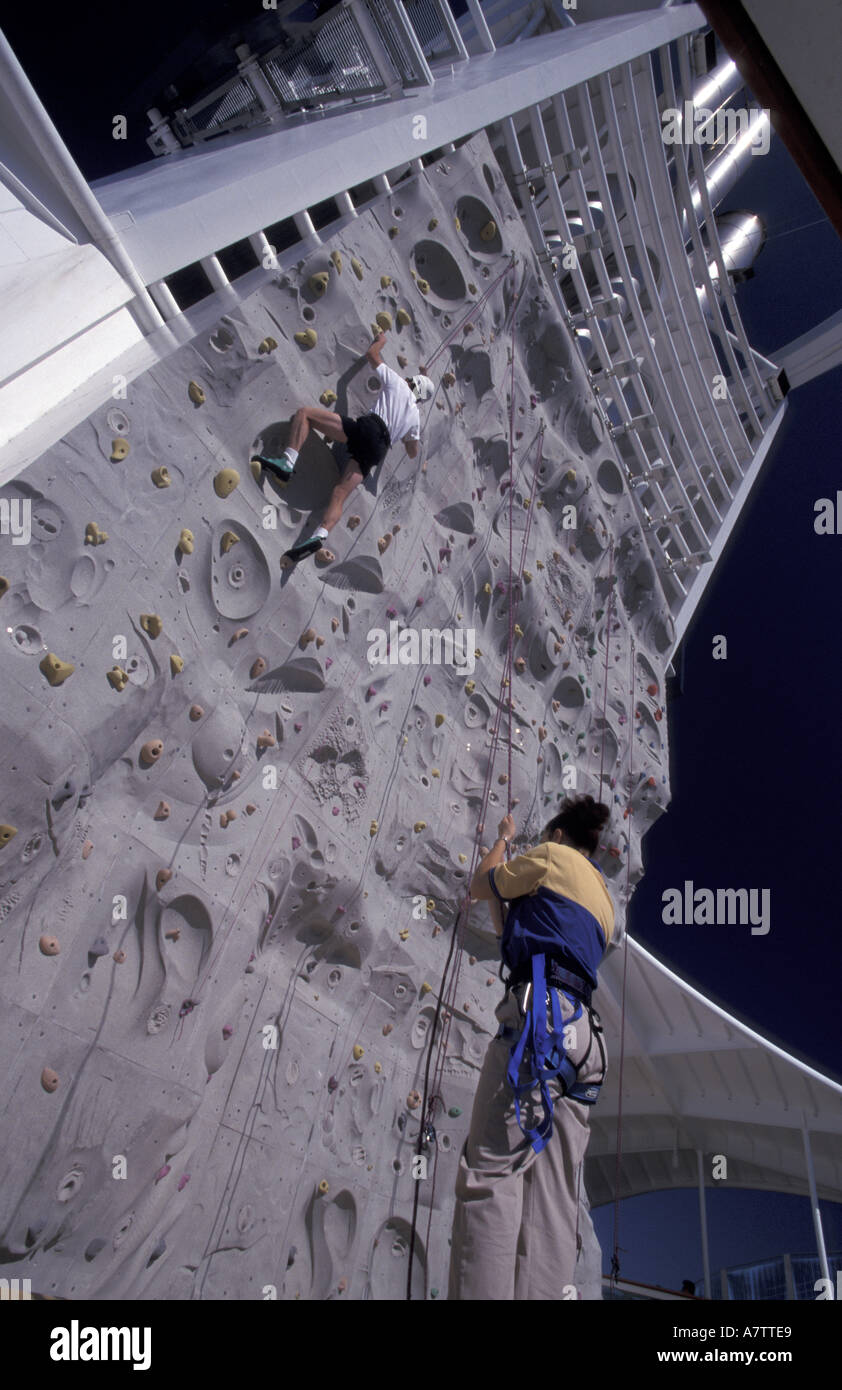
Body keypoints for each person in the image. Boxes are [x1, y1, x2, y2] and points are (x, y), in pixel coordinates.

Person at [448, 794, 615, 1301]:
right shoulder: (604, 903)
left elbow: (480, 886)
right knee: (554, 1203)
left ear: (559, 835)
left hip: (539, 1017)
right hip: (586, 1043)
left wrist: (503, 839)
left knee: (492, 1175)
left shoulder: (550, 857)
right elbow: (515, 927)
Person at [252, 330, 433, 564]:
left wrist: (381, 341)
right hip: (377, 449)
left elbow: (371, 355)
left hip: (368, 427)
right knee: (339, 494)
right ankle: (320, 535)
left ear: (411, 381)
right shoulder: (415, 418)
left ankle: (287, 463)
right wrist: (410, 434)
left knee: (305, 415)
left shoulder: (397, 382)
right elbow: (412, 452)